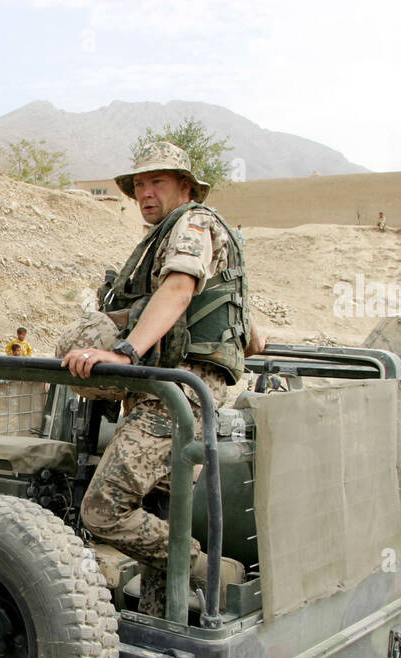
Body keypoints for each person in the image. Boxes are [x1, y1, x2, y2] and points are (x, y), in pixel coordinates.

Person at [63, 141, 261, 618]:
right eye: (139, 185)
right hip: (186, 396)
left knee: (103, 510)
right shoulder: (203, 234)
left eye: (158, 182)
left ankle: (210, 569)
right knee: (154, 520)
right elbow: (253, 337)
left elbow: (179, 286)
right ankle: (161, 635)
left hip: (176, 398)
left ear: (186, 187)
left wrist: (125, 351)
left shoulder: (192, 224)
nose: (145, 193)